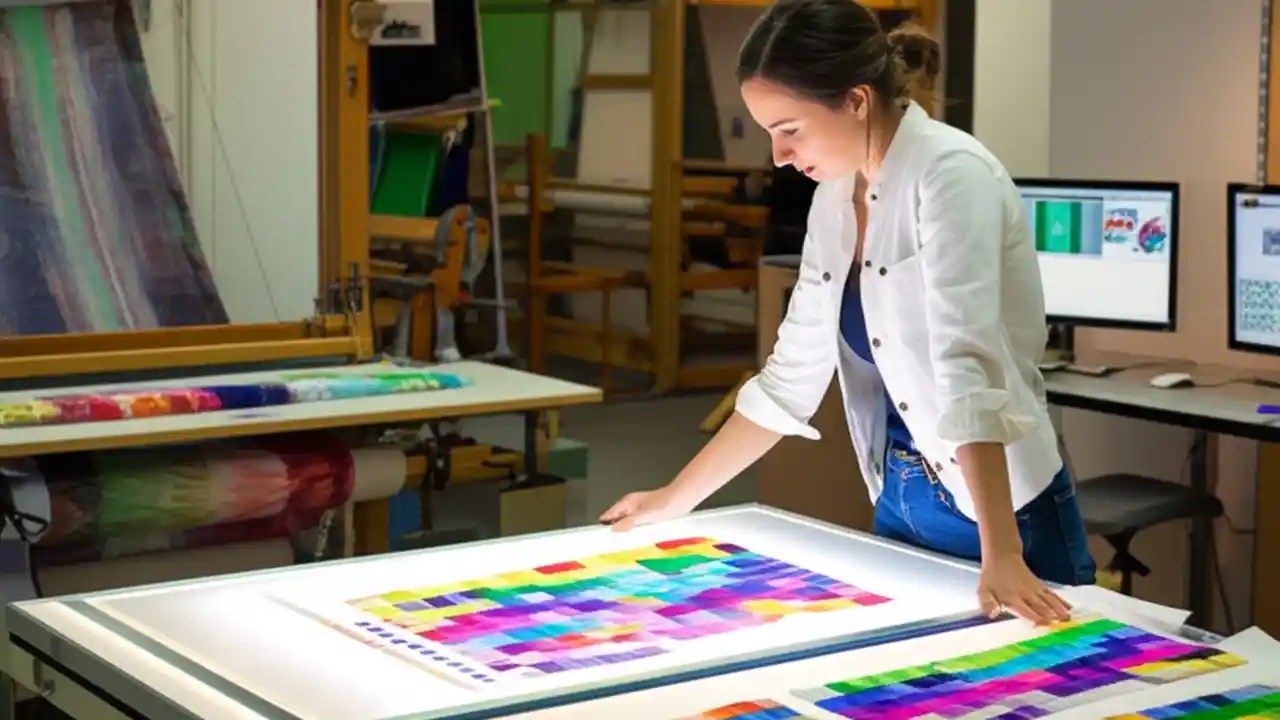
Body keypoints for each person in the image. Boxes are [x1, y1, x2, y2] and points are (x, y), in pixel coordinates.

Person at [600, 0, 1096, 626]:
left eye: (790, 129)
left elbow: (966, 373)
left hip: (1008, 514)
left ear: (856, 100)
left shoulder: (952, 175)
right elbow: (790, 378)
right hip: (901, 496)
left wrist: (1003, 553)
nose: (779, 155)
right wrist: (675, 499)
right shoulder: (835, 193)